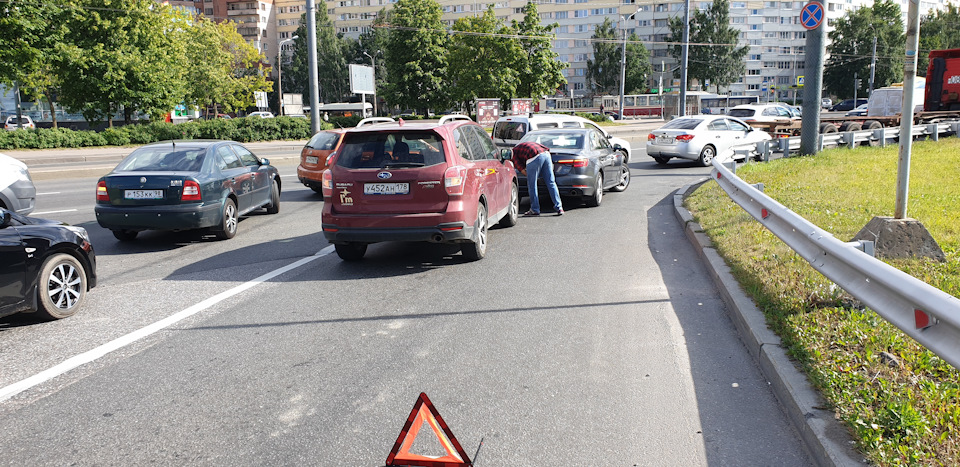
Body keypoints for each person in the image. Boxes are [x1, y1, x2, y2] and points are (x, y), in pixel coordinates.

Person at [512, 140, 563, 216]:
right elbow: (545, 148)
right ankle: (559, 207)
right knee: (551, 182)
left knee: (532, 185)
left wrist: (530, 174)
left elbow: (521, 169)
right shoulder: (522, 146)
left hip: (534, 156)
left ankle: (535, 209)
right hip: (546, 154)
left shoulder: (513, 154)